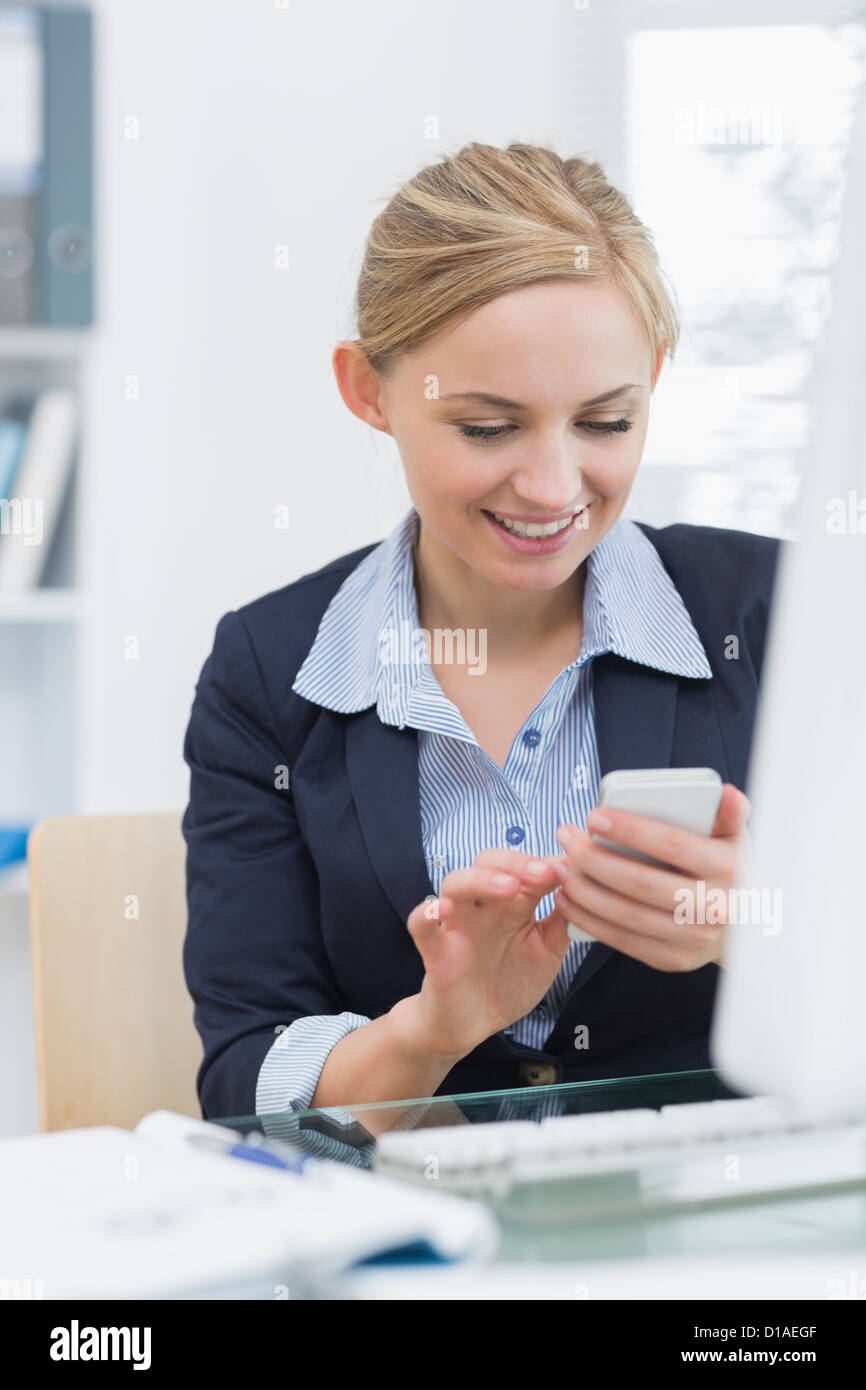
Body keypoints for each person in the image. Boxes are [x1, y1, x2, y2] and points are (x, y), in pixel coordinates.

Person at [182, 142, 779, 1125]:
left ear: (653, 380)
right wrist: (428, 1028)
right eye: (486, 428)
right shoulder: (269, 673)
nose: (552, 488)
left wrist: (766, 926)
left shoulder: (781, 615)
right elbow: (247, 1075)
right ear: (367, 390)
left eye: (603, 421)